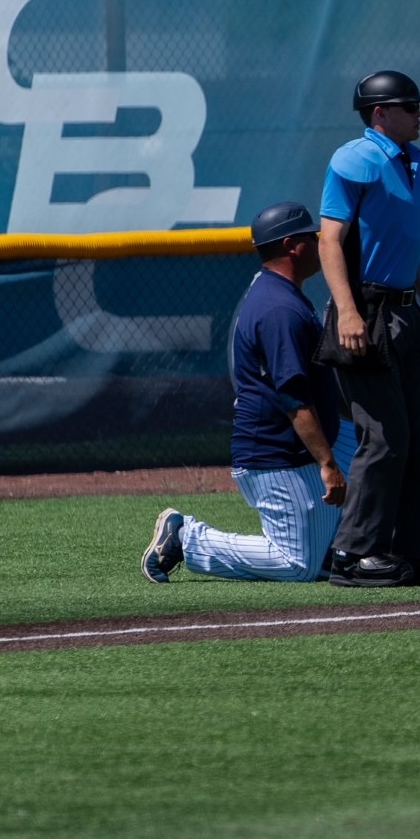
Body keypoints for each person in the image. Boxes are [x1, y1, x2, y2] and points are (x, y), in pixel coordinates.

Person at [140, 202, 346, 584]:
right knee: (297, 566)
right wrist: (328, 464)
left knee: (370, 449)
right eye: (310, 236)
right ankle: (186, 539)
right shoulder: (279, 307)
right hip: (276, 452)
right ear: (291, 246)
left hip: (291, 441)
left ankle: (345, 545)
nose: (318, 242)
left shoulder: (275, 288)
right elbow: (292, 397)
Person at [316, 70, 420, 588]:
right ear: (379, 113)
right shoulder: (353, 157)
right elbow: (330, 241)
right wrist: (348, 311)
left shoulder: (417, 162)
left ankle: (409, 553)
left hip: (405, 312)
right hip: (366, 308)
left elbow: (414, 247)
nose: (418, 111)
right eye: (407, 105)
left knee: (417, 439)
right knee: (383, 436)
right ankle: (352, 553)